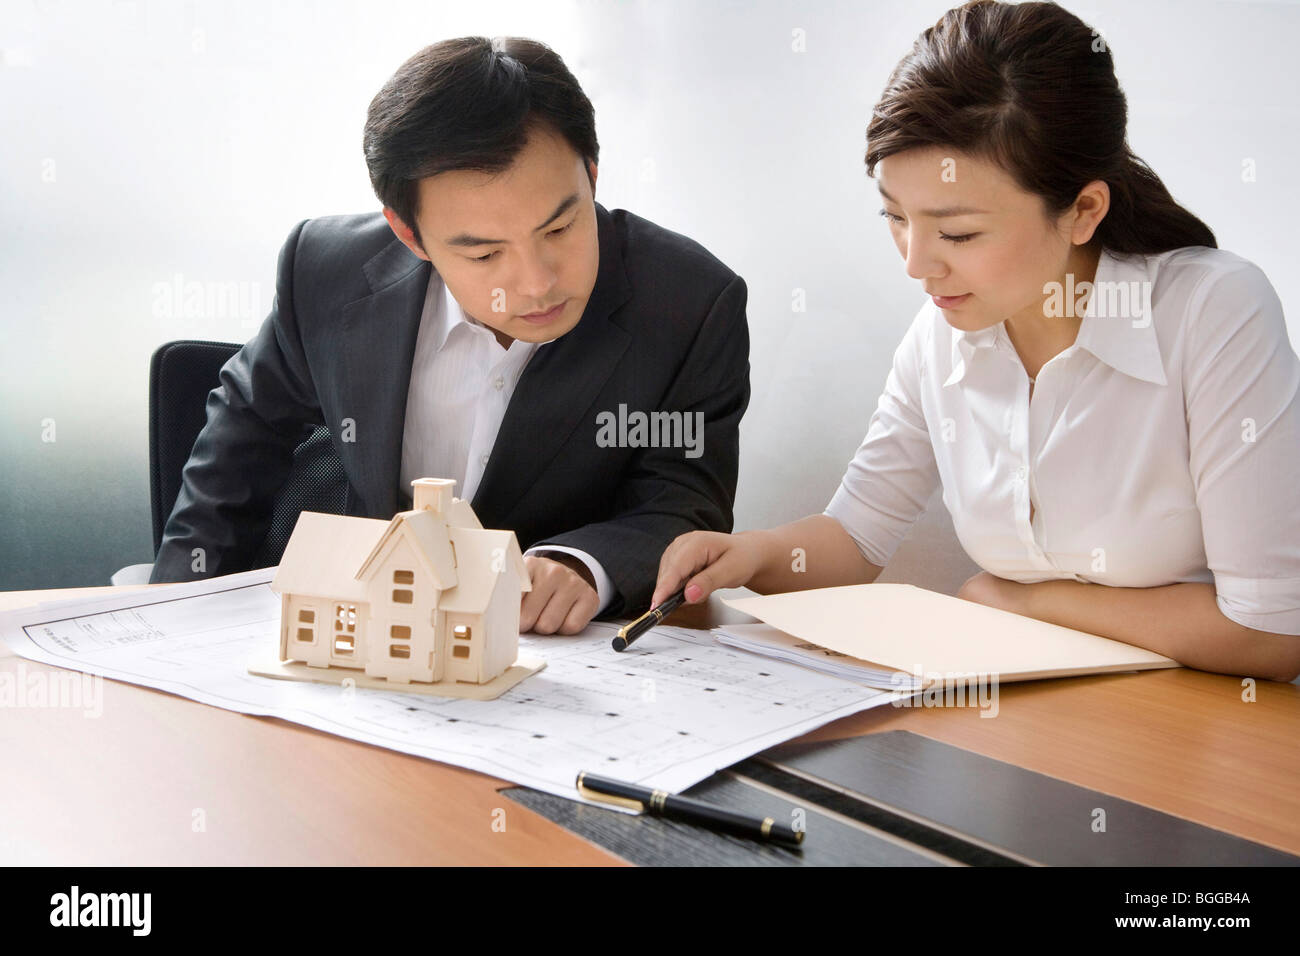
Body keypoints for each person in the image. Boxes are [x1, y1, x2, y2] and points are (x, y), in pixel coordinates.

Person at [653, 0, 1300, 681]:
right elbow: (856, 536)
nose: (915, 263)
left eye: (957, 233)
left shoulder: (1212, 310)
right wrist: (749, 554)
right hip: (1024, 724)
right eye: (894, 216)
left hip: (1199, 735)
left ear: (1083, 210)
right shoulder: (943, 332)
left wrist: (1019, 600)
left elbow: (1273, 630)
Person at [150, 37, 751, 636]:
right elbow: (236, 458)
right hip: (361, 646)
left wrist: (584, 565)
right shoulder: (323, 271)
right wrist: (166, 629)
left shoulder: (690, 303)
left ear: (591, 175)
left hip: (553, 667)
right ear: (410, 235)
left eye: (562, 227)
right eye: (486, 254)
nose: (537, 284)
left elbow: (682, 501)